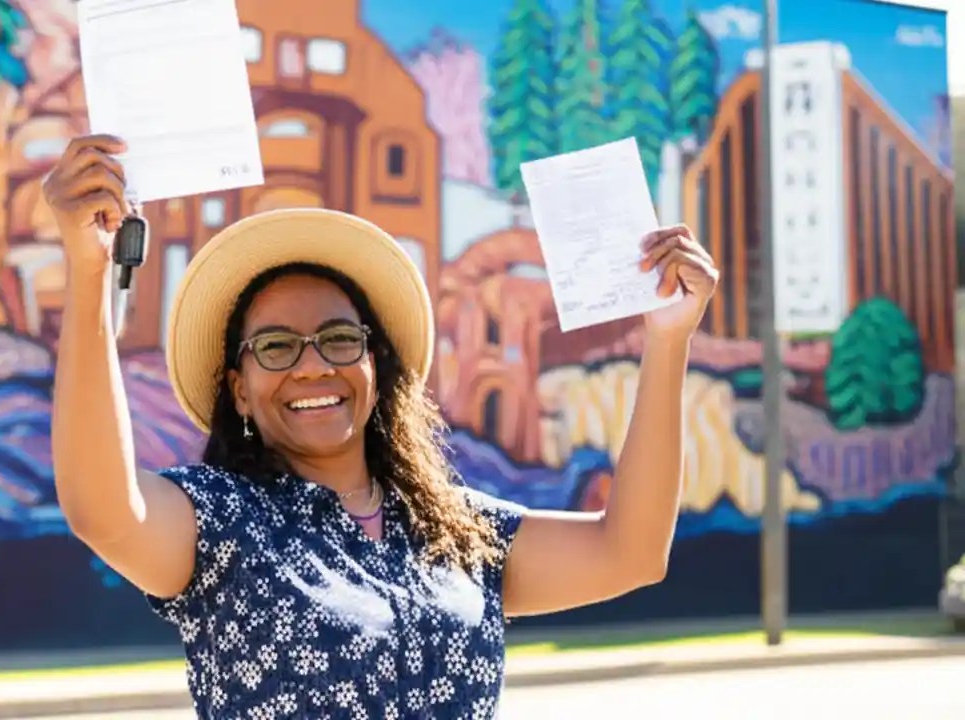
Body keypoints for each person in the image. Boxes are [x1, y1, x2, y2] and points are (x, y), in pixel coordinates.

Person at [45, 134, 719, 719]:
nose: (312, 367)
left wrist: (668, 340)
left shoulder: (455, 533)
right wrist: (88, 270)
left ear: (376, 366)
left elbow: (630, 551)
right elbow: (104, 509)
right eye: (277, 348)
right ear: (239, 393)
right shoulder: (222, 524)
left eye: (338, 339)